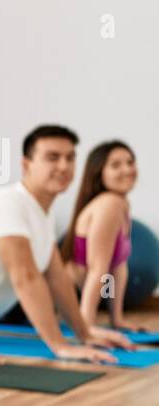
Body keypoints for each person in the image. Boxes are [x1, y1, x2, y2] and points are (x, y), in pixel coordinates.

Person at [0, 124, 130, 361]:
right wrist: (61, 346)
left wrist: (84, 333)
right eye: (53, 157)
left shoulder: (42, 213)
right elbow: (25, 276)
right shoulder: (8, 202)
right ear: (26, 164)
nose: (64, 166)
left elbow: (57, 277)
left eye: (70, 158)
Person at [61, 140, 143, 330]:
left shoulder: (121, 204)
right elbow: (98, 268)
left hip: (76, 298)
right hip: (46, 302)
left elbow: (117, 268)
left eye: (130, 162)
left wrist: (117, 319)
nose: (127, 169)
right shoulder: (110, 204)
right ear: (99, 173)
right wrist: (86, 326)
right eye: (116, 165)